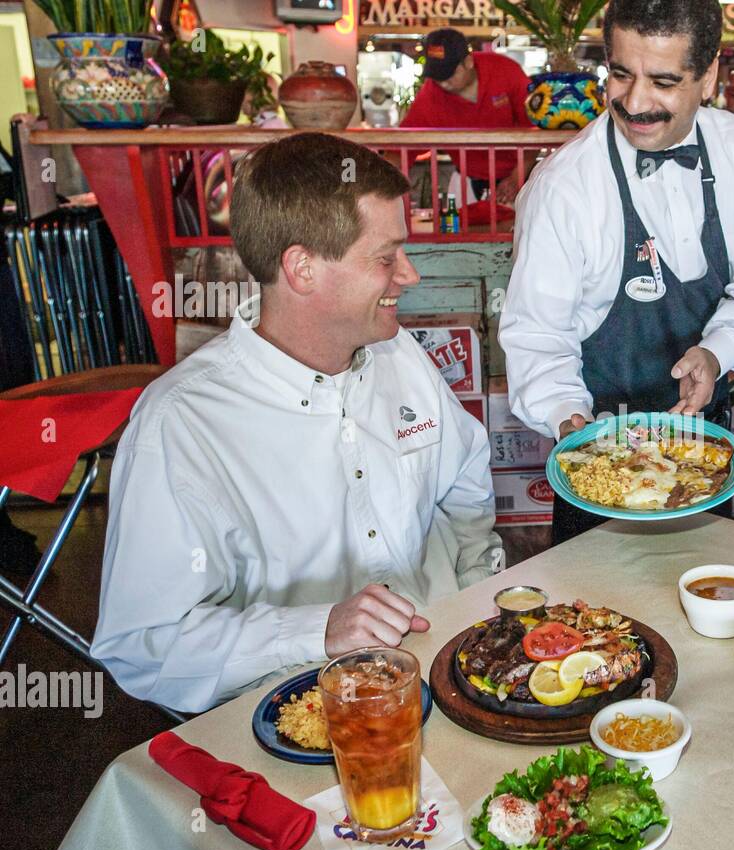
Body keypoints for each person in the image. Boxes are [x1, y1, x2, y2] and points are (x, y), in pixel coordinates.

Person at [92, 132, 503, 712]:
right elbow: (140, 647)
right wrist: (318, 629)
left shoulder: (399, 354)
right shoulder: (181, 423)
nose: (409, 276)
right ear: (302, 268)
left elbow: (465, 476)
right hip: (293, 721)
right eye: (386, 257)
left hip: (449, 674)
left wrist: (475, 599)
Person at [498, 0, 734, 544]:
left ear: (707, 77)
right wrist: (570, 423)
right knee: (593, 620)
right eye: (620, 74)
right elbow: (538, 334)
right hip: (600, 457)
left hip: (705, 448)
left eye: (663, 81)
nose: (635, 102)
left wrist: (719, 350)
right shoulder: (564, 188)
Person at [400, 28, 535, 204]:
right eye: (437, 76)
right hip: (467, 182)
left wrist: (517, 176)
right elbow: (401, 146)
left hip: (520, 178)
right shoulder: (430, 94)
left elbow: (534, 127)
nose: (443, 82)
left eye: (449, 73)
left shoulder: (505, 70)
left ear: (468, 61)